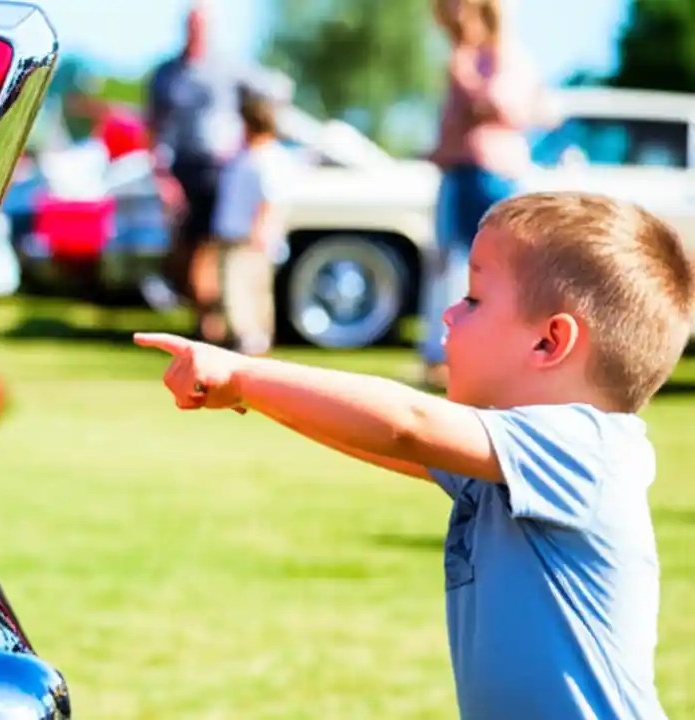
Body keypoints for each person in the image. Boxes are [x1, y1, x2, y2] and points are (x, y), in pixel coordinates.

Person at [136, 191, 689, 719]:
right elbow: (379, 439)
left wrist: (243, 370)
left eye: (473, 299)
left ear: (549, 342)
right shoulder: (507, 463)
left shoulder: (585, 448)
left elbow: (405, 425)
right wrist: (253, 396)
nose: (448, 315)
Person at [421, 0, 545, 388]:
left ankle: (476, 355)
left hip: (488, 174)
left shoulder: (502, 56)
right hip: (461, 172)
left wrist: (465, 77)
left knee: (480, 268)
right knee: (450, 270)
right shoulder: (474, 55)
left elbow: (504, 106)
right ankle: (447, 354)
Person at [145, 0, 246, 343]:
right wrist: (162, 177)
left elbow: (269, 98)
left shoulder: (229, 69)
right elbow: (153, 128)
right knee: (184, 253)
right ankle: (205, 321)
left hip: (218, 170)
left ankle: (213, 327)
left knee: (211, 250)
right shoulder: (167, 74)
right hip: (181, 169)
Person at [210, 86, 295, 355]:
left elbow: (269, 198)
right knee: (243, 290)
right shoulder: (244, 156)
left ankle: (251, 340)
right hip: (232, 233)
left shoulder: (267, 157)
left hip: (248, 237)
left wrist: (260, 230)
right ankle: (251, 340)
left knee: (242, 292)